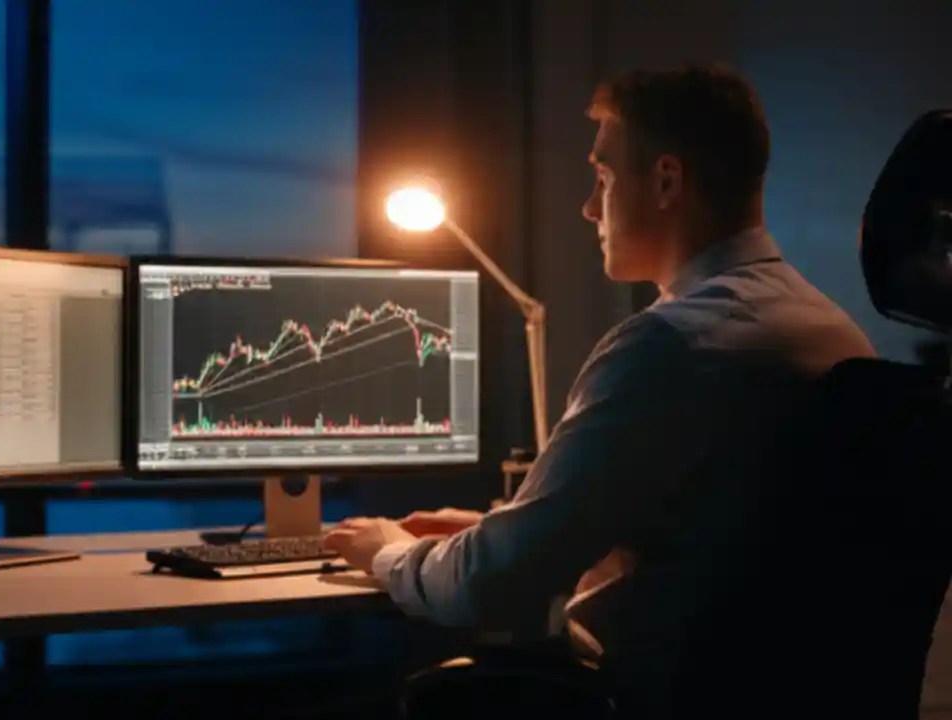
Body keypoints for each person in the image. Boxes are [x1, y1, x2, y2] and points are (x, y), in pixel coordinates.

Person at [323, 63, 876, 715]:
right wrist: (511, 528)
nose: (590, 206)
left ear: (666, 181)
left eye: (605, 176)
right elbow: (723, 536)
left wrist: (390, 552)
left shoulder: (670, 345)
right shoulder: (829, 328)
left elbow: (493, 587)